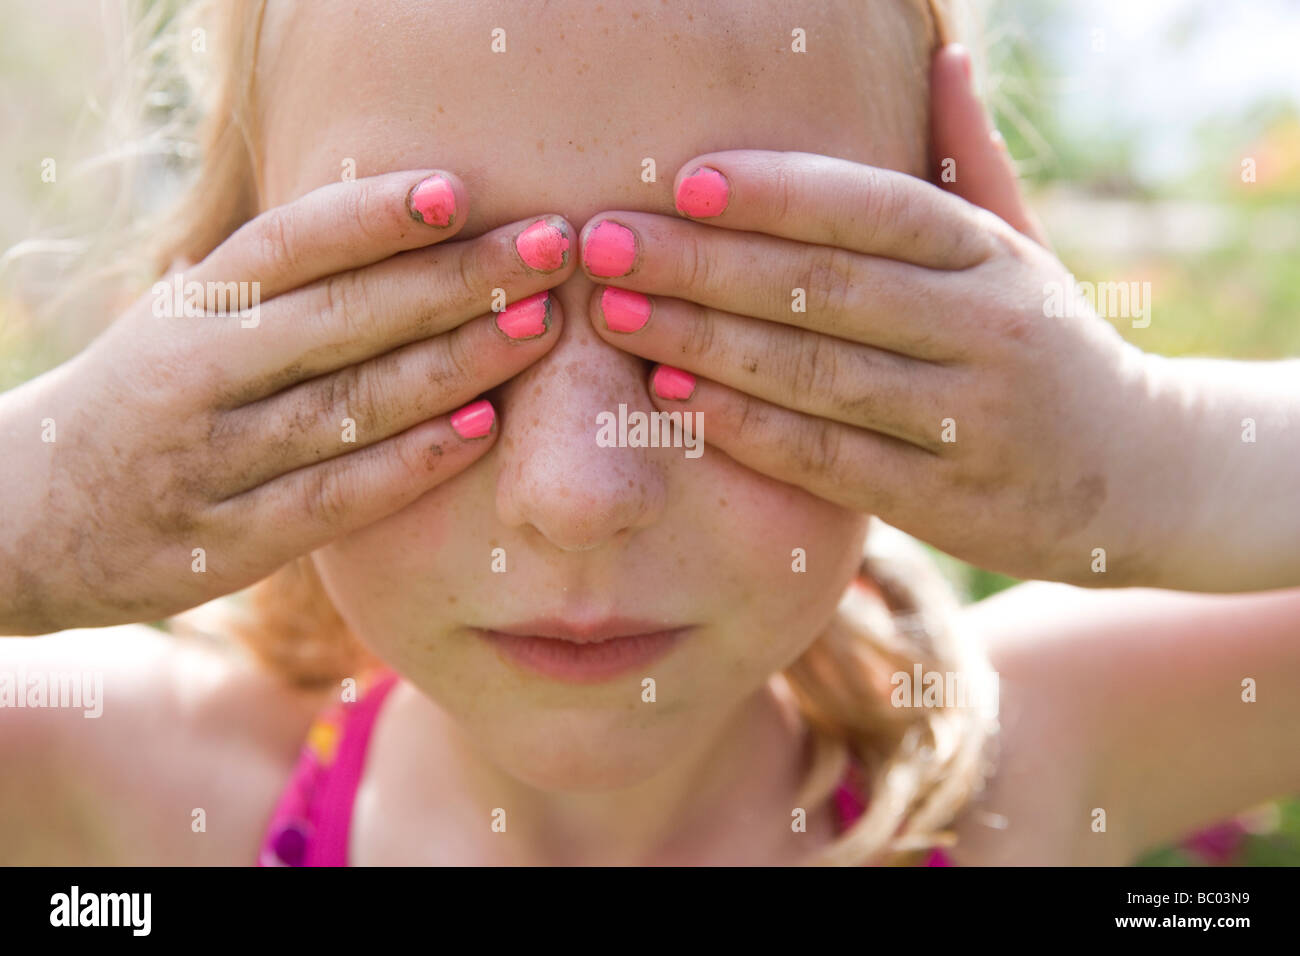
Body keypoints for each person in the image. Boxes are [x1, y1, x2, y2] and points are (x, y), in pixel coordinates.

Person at [0, 0, 1296, 866]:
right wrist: (38, 509)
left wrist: (1166, 458)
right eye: (412, 320)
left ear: (963, 307)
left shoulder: (1013, 765)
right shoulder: (148, 787)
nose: (578, 497)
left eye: (753, 305)